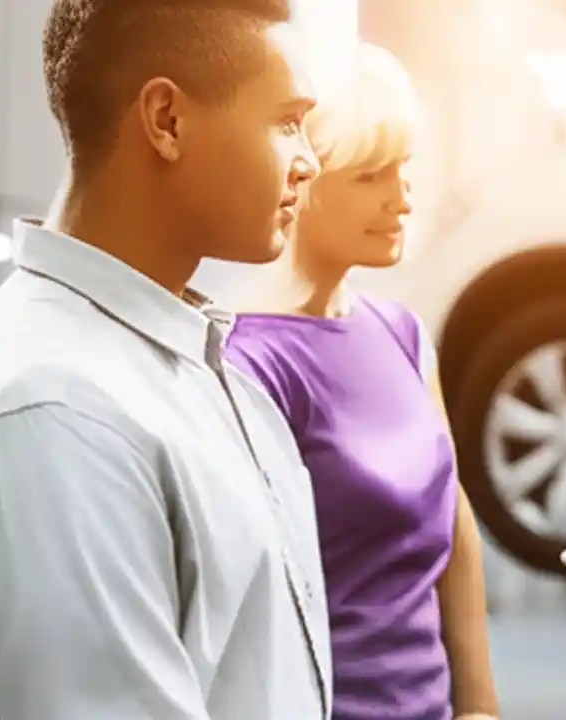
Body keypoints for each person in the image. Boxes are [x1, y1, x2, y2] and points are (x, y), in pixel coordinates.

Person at [0, 1, 331, 719]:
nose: (310, 161)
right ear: (167, 121)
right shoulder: (57, 410)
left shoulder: (207, 370)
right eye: (287, 121)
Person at [222, 42, 500, 720]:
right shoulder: (245, 361)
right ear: (303, 177)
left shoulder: (402, 335)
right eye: (372, 175)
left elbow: (454, 530)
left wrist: (480, 707)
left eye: (405, 169)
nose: (402, 198)